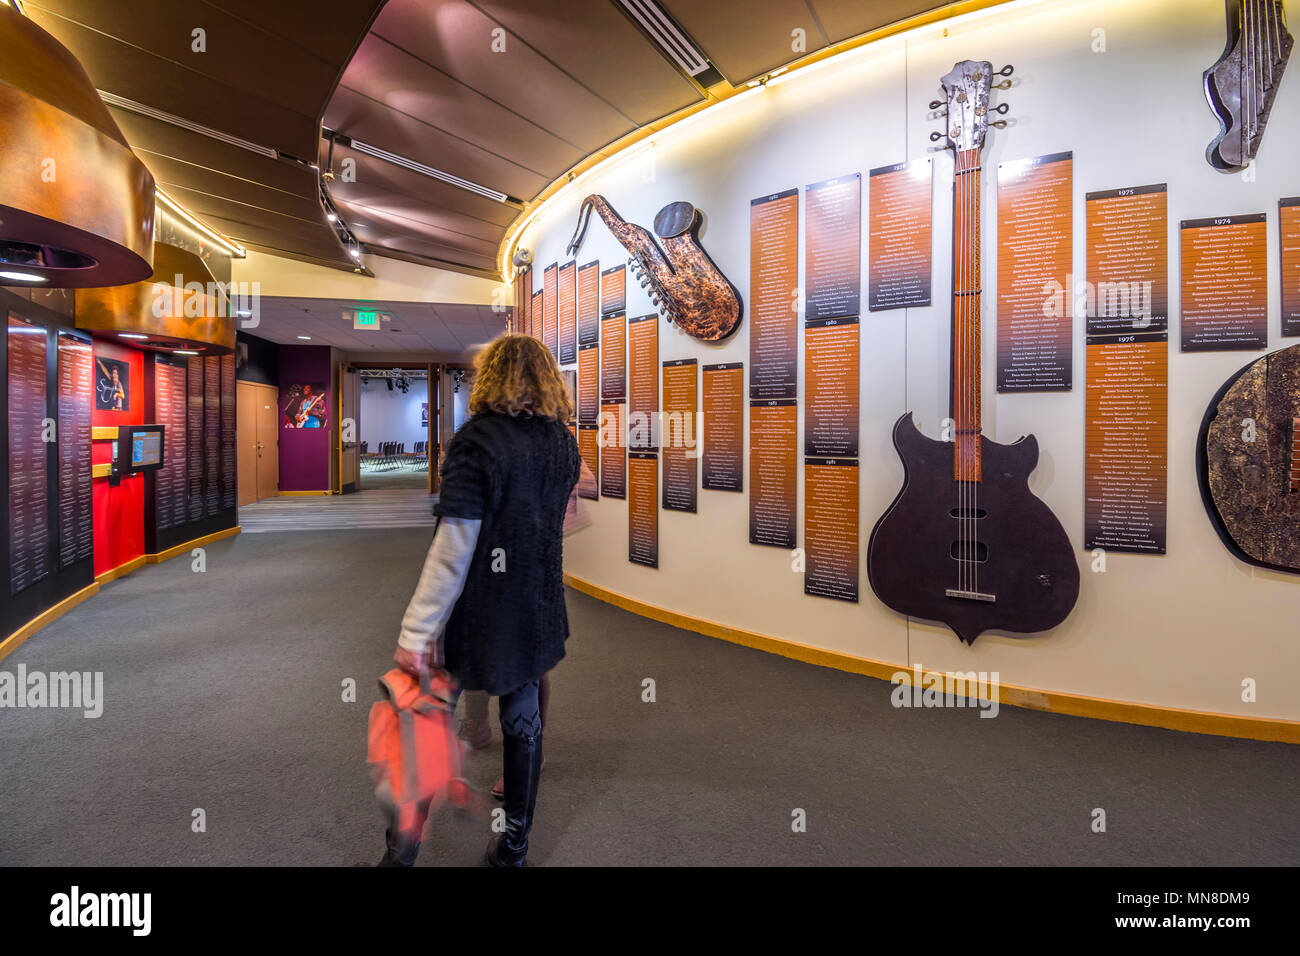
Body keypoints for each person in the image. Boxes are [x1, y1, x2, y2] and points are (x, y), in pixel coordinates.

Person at [382, 334, 581, 867]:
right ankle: (512, 851)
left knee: (426, 730)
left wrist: (416, 632)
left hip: (477, 611)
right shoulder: (563, 442)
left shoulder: (477, 441)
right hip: (535, 607)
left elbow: (455, 546)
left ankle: (400, 858)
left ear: (490, 375)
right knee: (523, 729)